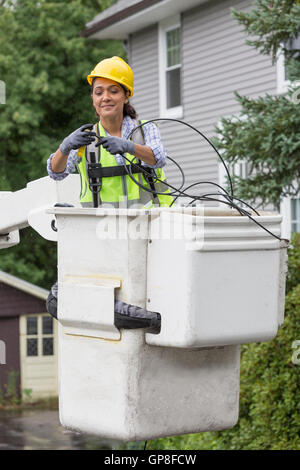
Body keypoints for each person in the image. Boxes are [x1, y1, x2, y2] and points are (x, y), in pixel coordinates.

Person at [46, 56, 173, 331]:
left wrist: (128, 147)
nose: (106, 97)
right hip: (106, 228)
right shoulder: (85, 139)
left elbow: (158, 158)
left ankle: (147, 318)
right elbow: (56, 172)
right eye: (99, 91)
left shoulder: (143, 130)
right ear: (93, 99)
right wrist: (65, 146)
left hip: (151, 226)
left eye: (113, 91)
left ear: (126, 95)